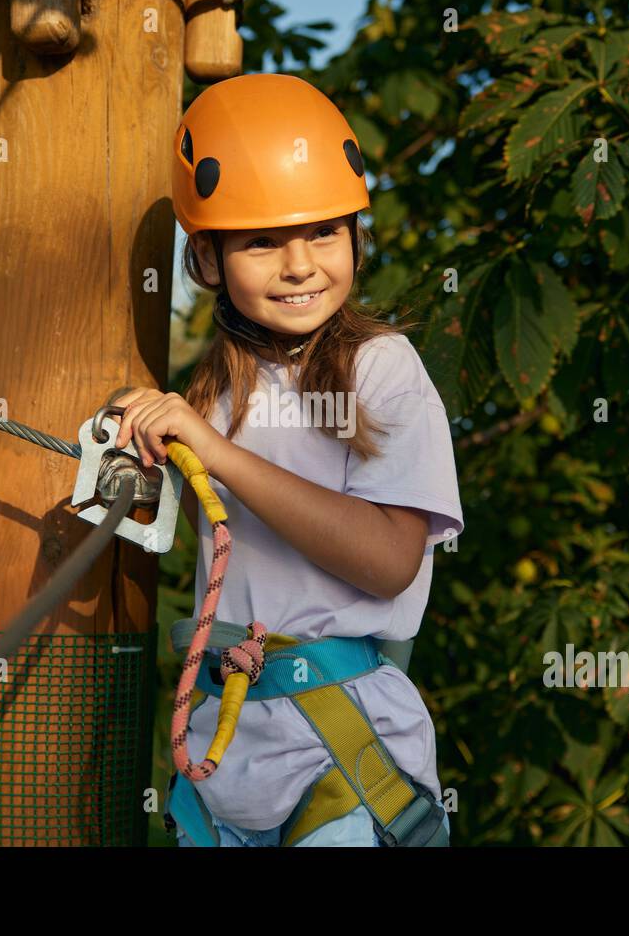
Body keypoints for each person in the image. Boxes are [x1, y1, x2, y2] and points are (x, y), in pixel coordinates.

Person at [111, 72, 464, 847]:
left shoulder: (380, 367)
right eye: (263, 240)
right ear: (206, 257)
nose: (299, 263)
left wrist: (215, 454)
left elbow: (387, 560)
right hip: (224, 757)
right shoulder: (211, 393)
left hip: (337, 755)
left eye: (324, 232)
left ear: (356, 238)